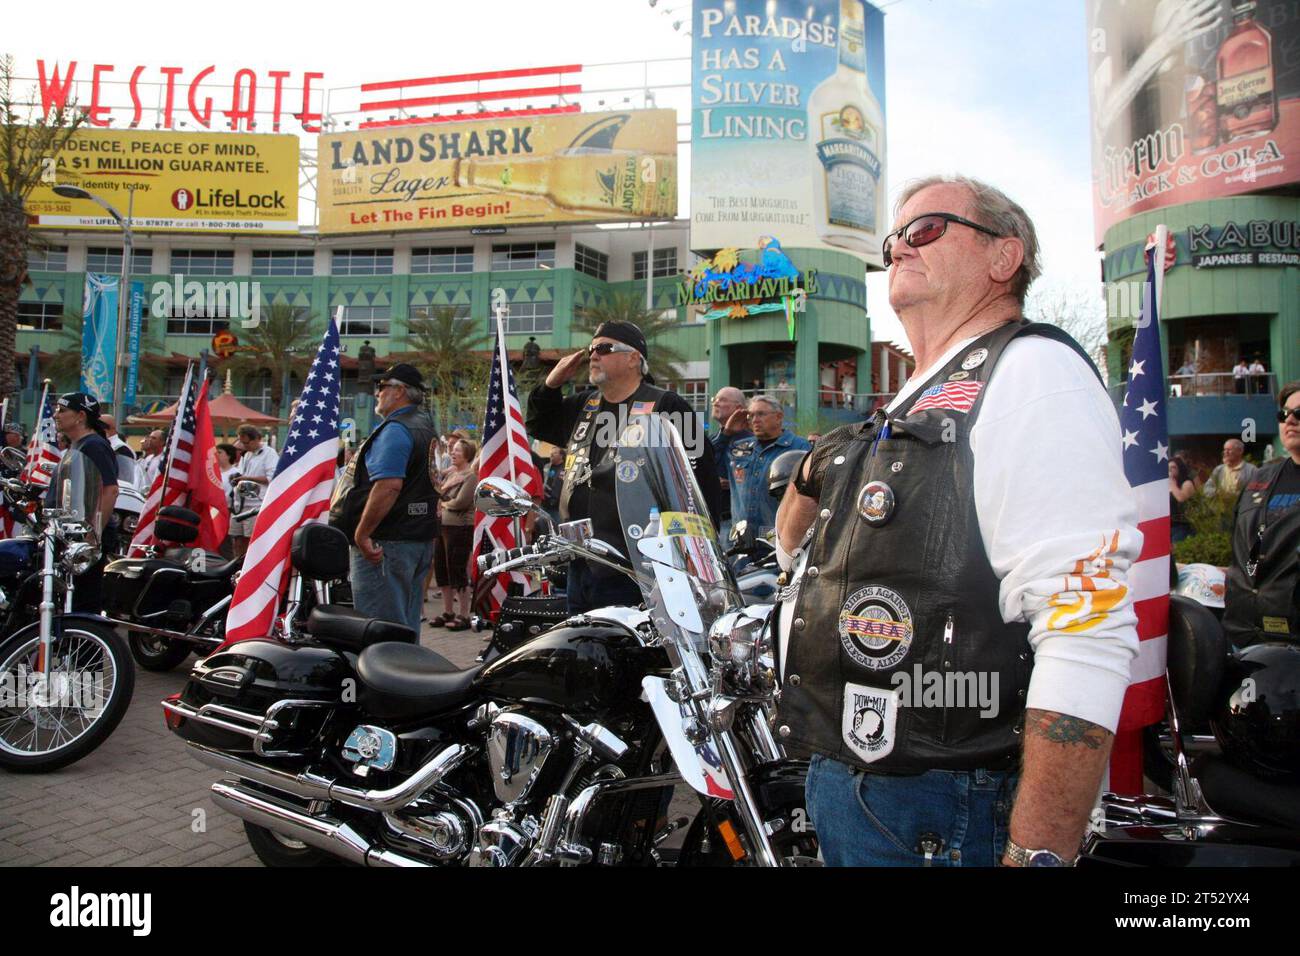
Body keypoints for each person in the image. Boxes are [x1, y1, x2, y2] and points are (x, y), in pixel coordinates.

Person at [774, 175, 1140, 867]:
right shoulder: (922, 391)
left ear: (1004, 257)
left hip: (944, 808)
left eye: (926, 229)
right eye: (894, 238)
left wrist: (1039, 854)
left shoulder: (1031, 372)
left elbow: (1086, 623)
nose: (900, 247)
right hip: (867, 791)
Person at [526, 320, 722, 614]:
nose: (593, 355)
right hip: (581, 563)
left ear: (634, 359)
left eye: (603, 348)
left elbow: (699, 482)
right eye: (592, 348)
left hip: (638, 566)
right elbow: (538, 423)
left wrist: (695, 557)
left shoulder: (668, 406)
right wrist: (551, 384)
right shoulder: (584, 405)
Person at [329, 364, 438, 633]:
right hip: (413, 537)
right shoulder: (423, 423)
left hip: (388, 541)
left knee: (380, 629)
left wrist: (363, 533)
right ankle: (406, 671)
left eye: (383, 387)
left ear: (399, 391)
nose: (377, 393)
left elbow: (388, 485)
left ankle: (387, 674)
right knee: (404, 623)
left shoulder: (397, 429)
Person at [1223, 383, 1300, 646]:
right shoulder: (1260, 479)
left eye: (1299, 413)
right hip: (1246, 632)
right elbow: (1242, 548)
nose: (1290, 420)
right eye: (1284, 414)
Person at [51, 393, 119, 611]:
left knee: (83, 603)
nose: (56, 415)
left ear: (80, 416)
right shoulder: (77, 446)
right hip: (69, 536)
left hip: (85, 541)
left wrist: (93, 536)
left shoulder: (94, 445)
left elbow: (110, 490)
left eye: (62, 410)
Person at [728, 395, 810, 537]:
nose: (755, 420)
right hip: (739, 540)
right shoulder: (740, 447)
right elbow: (707, 465)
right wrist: (726, 433)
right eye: (750, 415)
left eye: (760, 414)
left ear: (778, 417)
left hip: (778, 539)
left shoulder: (800, 448)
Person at [431, 438, 478, 631]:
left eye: (457, 450)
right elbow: (438, 494)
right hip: (442, 527)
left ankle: (464, 614)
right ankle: (448, 611)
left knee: (457, 569)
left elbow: (461, 502)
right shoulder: (451, 475)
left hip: (459, 528)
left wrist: (443, 504)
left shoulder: (470, 477)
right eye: (453, 450)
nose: (452, 453)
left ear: (467, 454)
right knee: (442, 568)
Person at [228, 424, 280, 557]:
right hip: (240, 505)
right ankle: (237, 567)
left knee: (250, 540)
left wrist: (247, 478)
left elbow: (272, 478)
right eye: (242, 442)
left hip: (256, 505)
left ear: (257, 439)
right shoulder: (247, 455)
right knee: (236, 538)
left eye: (246, 443)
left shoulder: (269, 454)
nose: (244, 446)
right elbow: (241, 473)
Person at [710, 386, 752, 540]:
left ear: (739, 408)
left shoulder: (750, 440)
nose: (716, 403)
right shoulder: (714, 439)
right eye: (715, 399)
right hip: (712, 519)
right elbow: (703, 465)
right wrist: (725, 434)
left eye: (723, 400)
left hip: (736, 522)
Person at [1169, 455, 1196, 544]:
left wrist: (1172, 483)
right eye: (1168, 468)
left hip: (1181, 525)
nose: (1170, 470)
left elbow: (1181, 498)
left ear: (1179, 469)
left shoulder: (1186, 483)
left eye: (1173, 467)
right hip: (1168, 525)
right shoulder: (1166, 486)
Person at [541, 447, 565, 525]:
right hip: (544, 504)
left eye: (554, 453)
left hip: (557, 508)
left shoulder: (566, 468)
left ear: (561, 456)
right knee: (543, 527)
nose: (551, 455)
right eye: (551, 453)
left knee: (557, 529)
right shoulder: (546, 466)